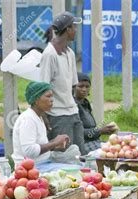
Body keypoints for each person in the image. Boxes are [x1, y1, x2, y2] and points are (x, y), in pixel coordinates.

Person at [39, 11, 85, 154]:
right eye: (74, 27)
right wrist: (45, 117)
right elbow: (43, 88)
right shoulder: (49, 54)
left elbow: (72, 85)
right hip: (57, 115)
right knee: (63, 157)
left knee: (79, 154)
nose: (76, 31)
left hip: (73, 112)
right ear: (67, 30)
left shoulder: (69, 53)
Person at [12, 81, 71, 172]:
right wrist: (54, 143)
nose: (52, 100)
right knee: (75, 170)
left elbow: (39, 145)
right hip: (29, 169)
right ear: (36, 100)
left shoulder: (38, 117)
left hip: (43, 163)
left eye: (52, 96)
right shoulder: (28, 119)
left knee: (79, 164)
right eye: (48, 96)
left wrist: (55, 145)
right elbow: (29, 151)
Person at [74, 73, 118, 155]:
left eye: (87, 87)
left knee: (115, 148)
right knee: (108, 152)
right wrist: (100, 131)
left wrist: (104, 130)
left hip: (93, 141)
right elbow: (78, 132)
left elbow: (91, 127)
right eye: (80, 86)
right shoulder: (73, 106)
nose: (84, 89)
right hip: (82, 144)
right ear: (73, 87)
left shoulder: (85, 103)